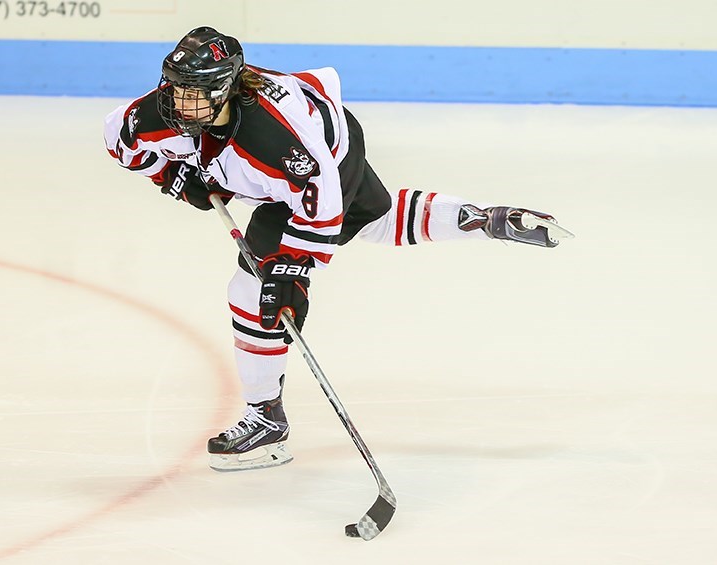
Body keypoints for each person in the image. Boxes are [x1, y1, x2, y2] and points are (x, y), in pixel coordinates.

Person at [103, 27, 570, 472]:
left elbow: (320, 205)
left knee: (251, 291)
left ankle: (266, 420)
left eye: (193, 92)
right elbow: (118, 140)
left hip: (329, 154)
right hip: (309, 141)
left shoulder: (275, 141)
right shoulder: (158, 114)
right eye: (173, 85)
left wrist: (292, 273)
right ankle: (484, 219)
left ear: (224, 89)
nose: (177, 100)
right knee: (376, 221)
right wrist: (175, 179)